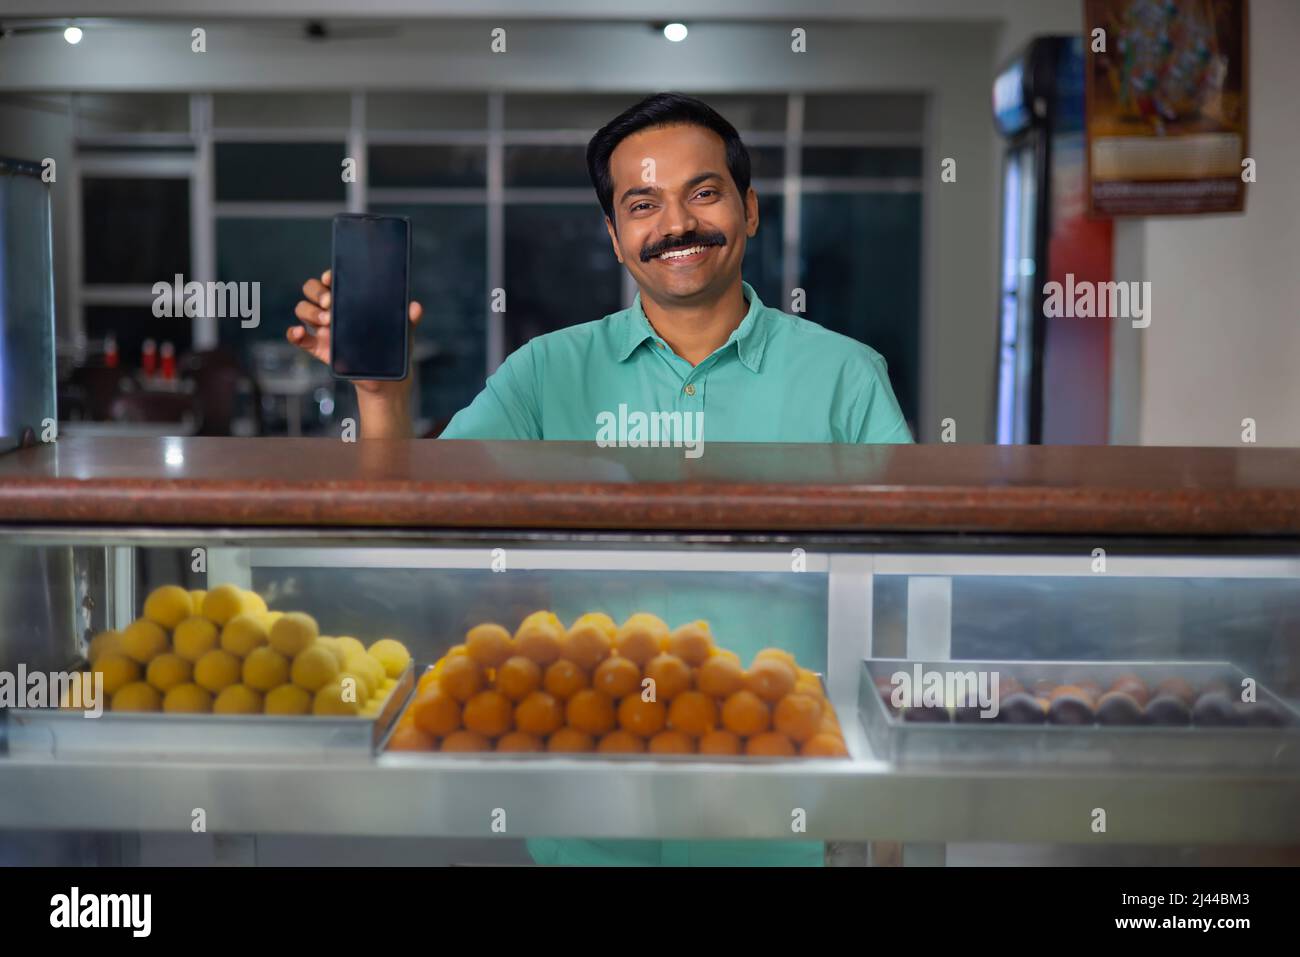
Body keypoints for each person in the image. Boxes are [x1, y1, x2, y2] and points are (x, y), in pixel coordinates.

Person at [291, 92, 913, 866]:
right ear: (616, 237)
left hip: (780, 790)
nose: (677, 225)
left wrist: (892, 810)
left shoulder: (845, 375)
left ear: (750, 210)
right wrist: (381, 394)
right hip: (592, 782)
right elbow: (413, 510)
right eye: (643, 204)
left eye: (704, 193)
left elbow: (900, 590)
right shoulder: (547, 371)